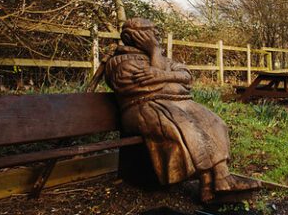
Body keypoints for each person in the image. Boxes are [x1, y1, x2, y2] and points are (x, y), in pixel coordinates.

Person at [105, 18, 259, 202]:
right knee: (185, 128)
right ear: (133, 36)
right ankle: (209, 181)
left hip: (178, 103)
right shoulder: (121, 62)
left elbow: (186, 77)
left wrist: (160, 74)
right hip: (144, 108)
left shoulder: (161, 60)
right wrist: (170, 79)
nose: (156, 35)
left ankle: (220, 176)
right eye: (151, 31)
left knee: (214, 122)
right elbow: (143, 89)